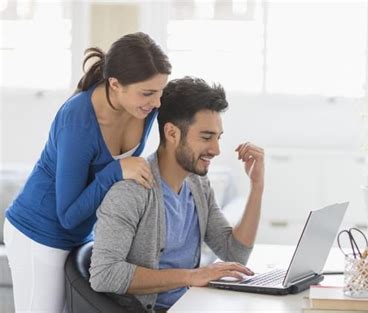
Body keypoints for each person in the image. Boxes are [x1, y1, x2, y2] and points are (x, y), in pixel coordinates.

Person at [3, 32, 171, 313]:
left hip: (84, 235)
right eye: (148, 93)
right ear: (115, 84)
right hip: (39, 233)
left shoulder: (146, 105)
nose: (157, 102)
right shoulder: (78, 121)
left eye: (161, 91)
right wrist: (115, 170)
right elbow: (67, 215)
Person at [89, 76, 265, 312]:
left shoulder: (198, 185)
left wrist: (257, 185)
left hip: (194, 304)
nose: (216, 150)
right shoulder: (131, 190)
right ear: (172, 134)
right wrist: (191, 276)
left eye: (218, 137)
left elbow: (234, 252)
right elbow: (104, 274)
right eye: (206, 137)